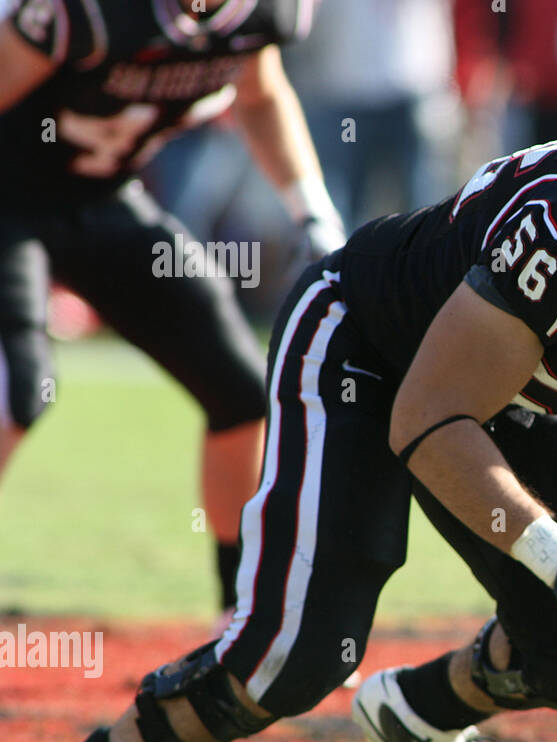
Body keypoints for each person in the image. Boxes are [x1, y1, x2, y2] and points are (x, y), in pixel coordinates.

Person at [33, 50, 557, 742]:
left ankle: (421, 714)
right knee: (293, 658)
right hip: (368, 350)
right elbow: (426, 418)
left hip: (509, 392)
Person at [0, 0, 345, 615]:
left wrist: (312, 211)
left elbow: (261, 96)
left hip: (103, 197)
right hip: (7, 198)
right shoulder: (91, 12)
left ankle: (241, 614)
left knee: (240, 392)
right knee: (18, 391)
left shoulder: (264, 14)